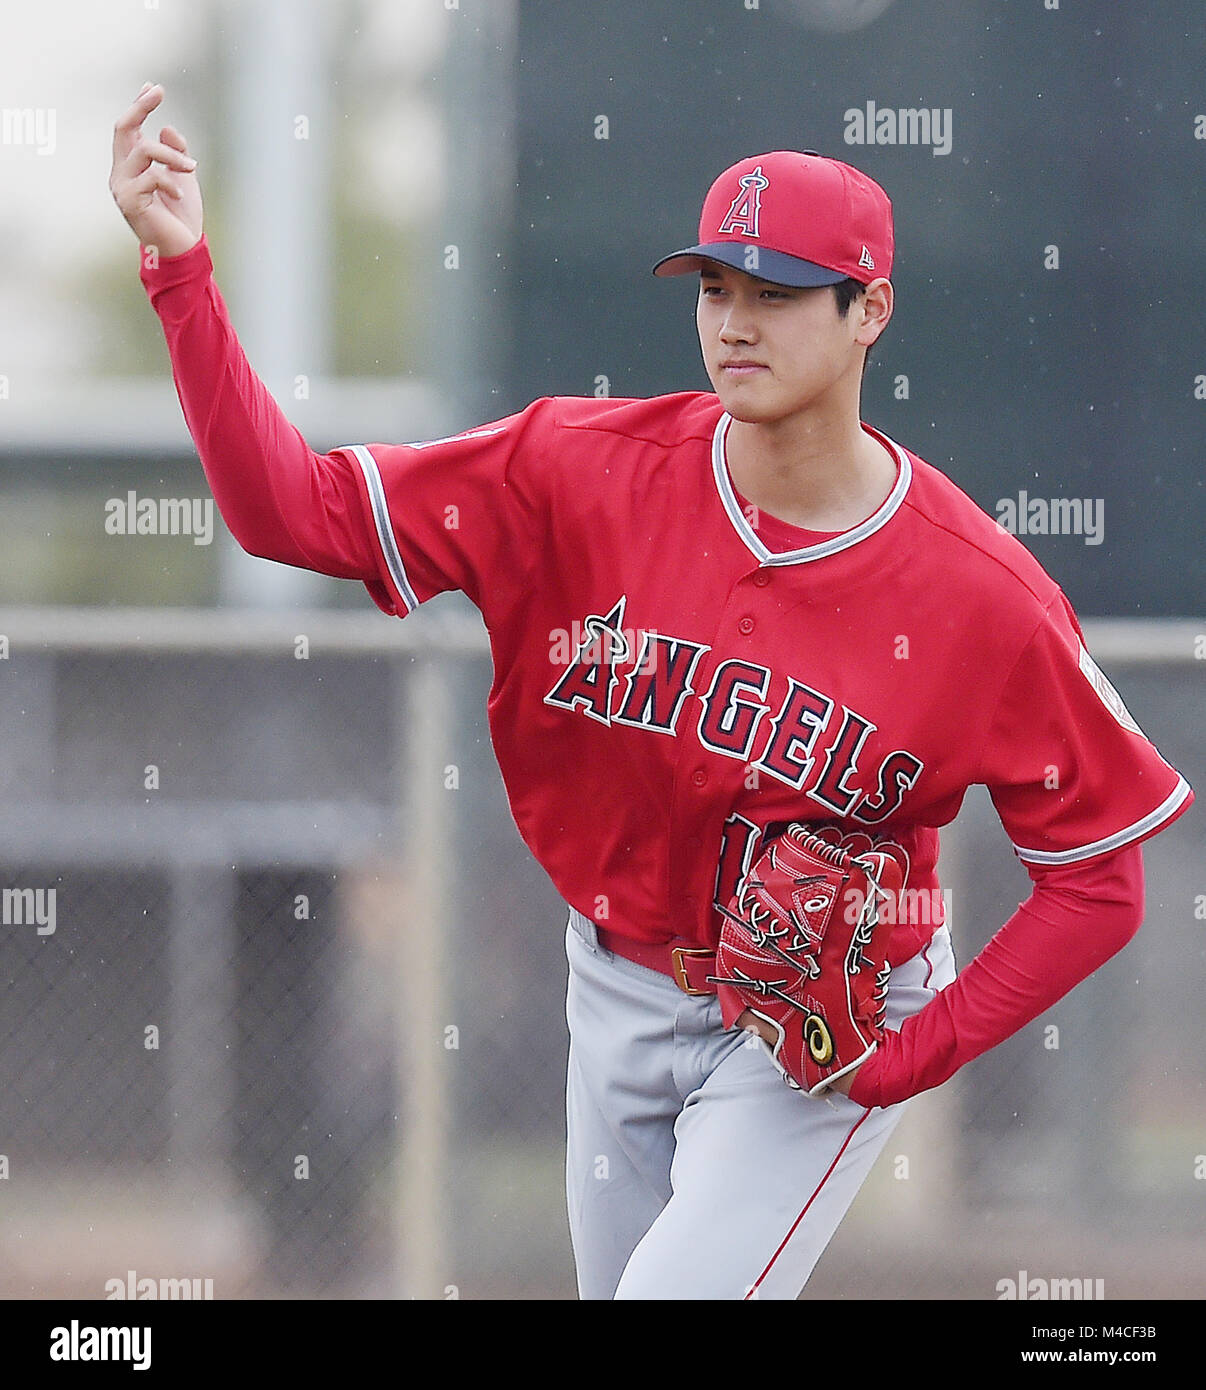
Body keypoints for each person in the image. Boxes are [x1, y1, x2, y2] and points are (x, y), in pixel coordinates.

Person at [110, 84, 1193, 1300]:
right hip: (613, 980)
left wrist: (920, 1050)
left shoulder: (980, 592)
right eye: (717, 288)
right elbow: (288, 511)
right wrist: (183, 272)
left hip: (814, 1034)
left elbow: (1100, 880)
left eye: (777, 294)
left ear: (869, 311)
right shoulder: (575, 471)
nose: (735, 322)